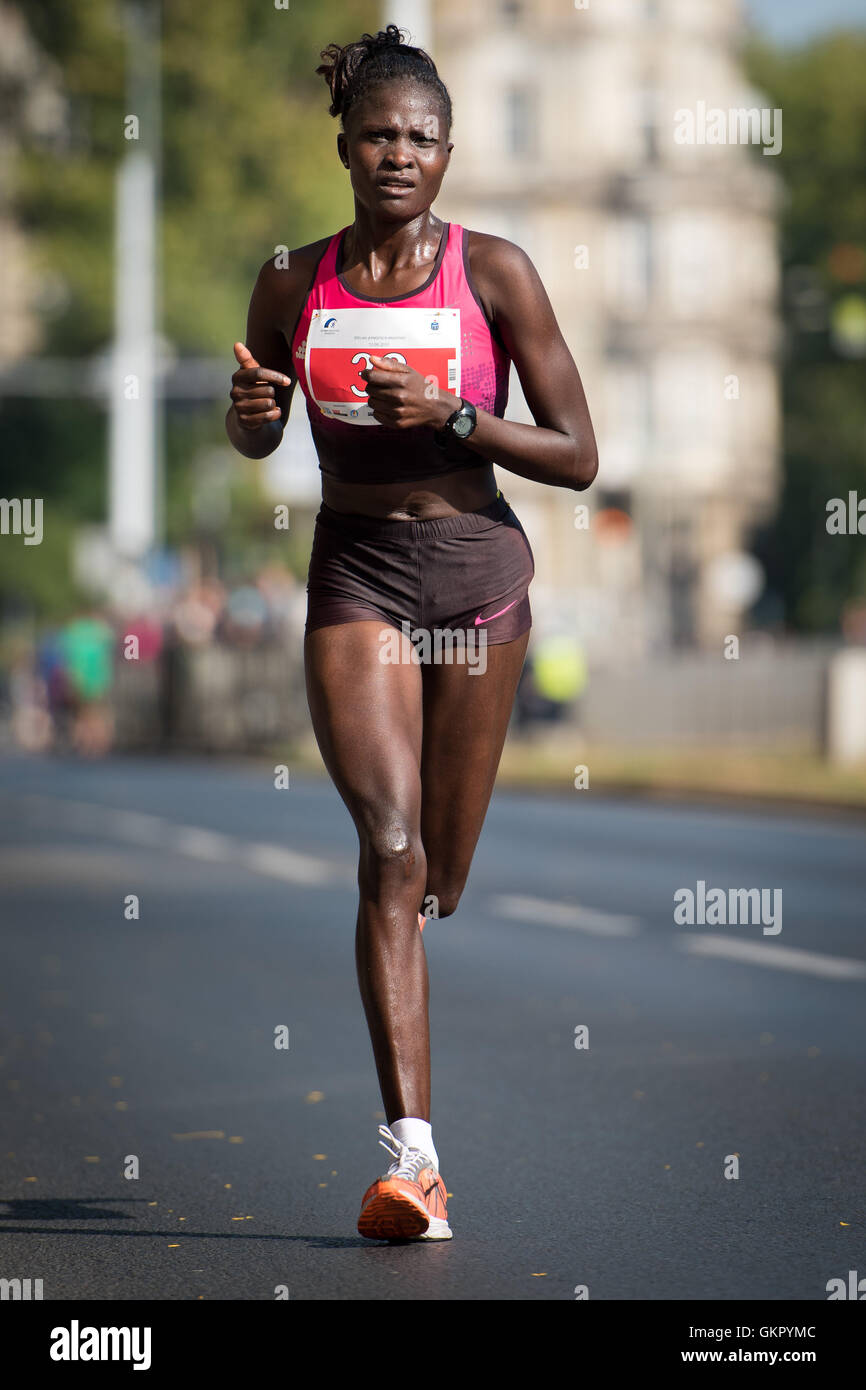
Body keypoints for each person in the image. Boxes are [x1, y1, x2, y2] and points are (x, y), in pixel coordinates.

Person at [225, 24, 598, 1241]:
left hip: (479, 581)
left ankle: (435, 875)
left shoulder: (493, 272)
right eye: (378, 133)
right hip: (357, 577)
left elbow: (579, 457)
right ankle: (412, 1162)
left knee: (441, 864)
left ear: (447, 155)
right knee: (386, 851)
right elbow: (257, 432)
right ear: (343, 145)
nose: (399, 153)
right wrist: (248, 414)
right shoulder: (293, 279)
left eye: (421, 138)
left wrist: (458, 416)